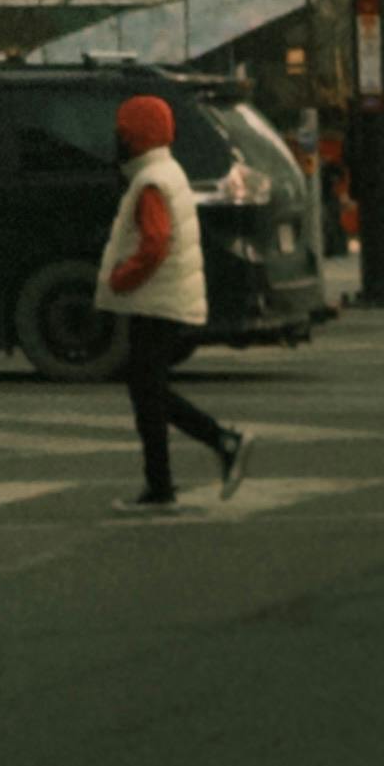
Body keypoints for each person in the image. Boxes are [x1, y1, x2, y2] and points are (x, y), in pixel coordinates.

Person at [99, 92, 250, 515]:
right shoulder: (166, 171)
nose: (117, 140)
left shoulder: (150, 182)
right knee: (147, 389)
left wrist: (120, 278)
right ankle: (163, 483)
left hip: (155, 298)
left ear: (136, 137)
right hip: (163, 295)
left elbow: (155, 242)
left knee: (146, 390)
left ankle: (214, 446)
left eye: (123, 133)